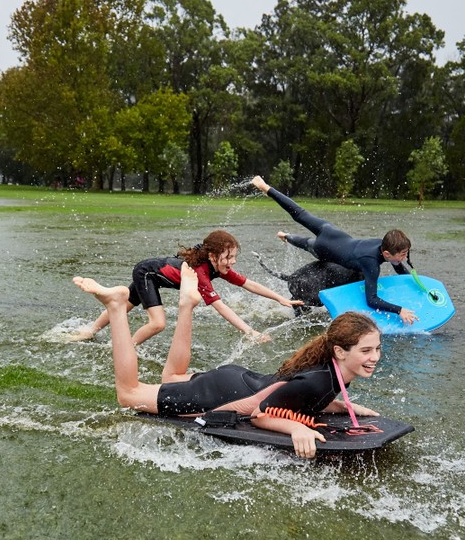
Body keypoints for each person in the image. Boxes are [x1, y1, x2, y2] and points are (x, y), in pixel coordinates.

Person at [72, 264, 381, 458]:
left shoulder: (332, 371)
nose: (374, 358)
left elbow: (296, 395)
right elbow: (261, 415)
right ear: (340, 351)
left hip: (236, 382)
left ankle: (186, 305)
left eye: (377, 349)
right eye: (366, 351)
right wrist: (295, 430)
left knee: (172, 377)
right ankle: (115, 306)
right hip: (224, 395)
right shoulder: (320, 379)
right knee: (128, 394)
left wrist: (337, 406)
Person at [71, 230, 303, 346]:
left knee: (125, 303)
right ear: (212, 256)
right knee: (158, 323)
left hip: (152, 273)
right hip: (147, 273)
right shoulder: (200, 272)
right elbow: (220, 307)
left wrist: (280, 299)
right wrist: (250, 331)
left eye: (234, 257)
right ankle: (125, 348)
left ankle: (90, 331)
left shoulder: (216, 266)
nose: (232, 262)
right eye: (228, 257)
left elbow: (248, 284)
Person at [250, 176, 417, 325]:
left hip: (331, 232)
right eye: (402, 254)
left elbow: (397, 264)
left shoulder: (384, 243)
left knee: (300, 213)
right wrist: (399, 310)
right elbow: (372, 300)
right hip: (324, 249)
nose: (404, 258)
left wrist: (412, 281)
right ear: (387, 254)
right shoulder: (371, 264)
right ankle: (287, 236)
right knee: (309, 243)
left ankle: (267, 189)